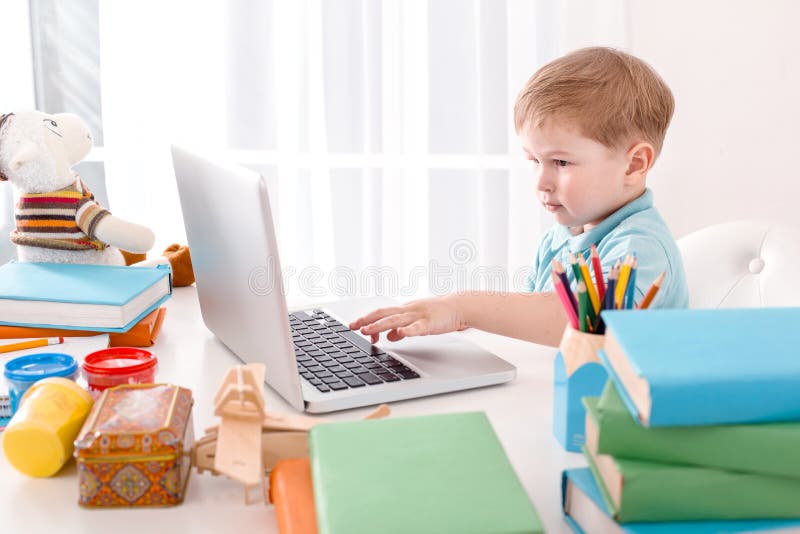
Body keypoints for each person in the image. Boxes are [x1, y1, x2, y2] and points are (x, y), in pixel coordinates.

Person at [350, 47, 689, 347]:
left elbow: (579, 325)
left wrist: (462, 306)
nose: (541, 181)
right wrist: (461, 323)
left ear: (634, 164)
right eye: (533, 161)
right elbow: (532, 328)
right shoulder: (560, 238)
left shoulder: (640, 248)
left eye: (560, 162)